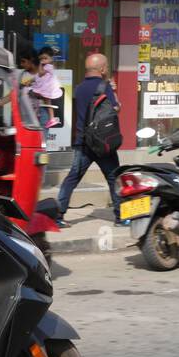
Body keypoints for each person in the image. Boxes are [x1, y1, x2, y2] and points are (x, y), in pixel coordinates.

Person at [56, 52, 122, 228]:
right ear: (102, 68)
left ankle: (58, 215)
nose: (106, 69)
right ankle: (121, 217)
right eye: (106, 67)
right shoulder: (105, 86)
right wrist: (114, 91)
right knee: (114, 178)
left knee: (72, 178)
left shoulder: (78, 89)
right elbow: (115, 109)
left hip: (83, 143)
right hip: (103, 143)